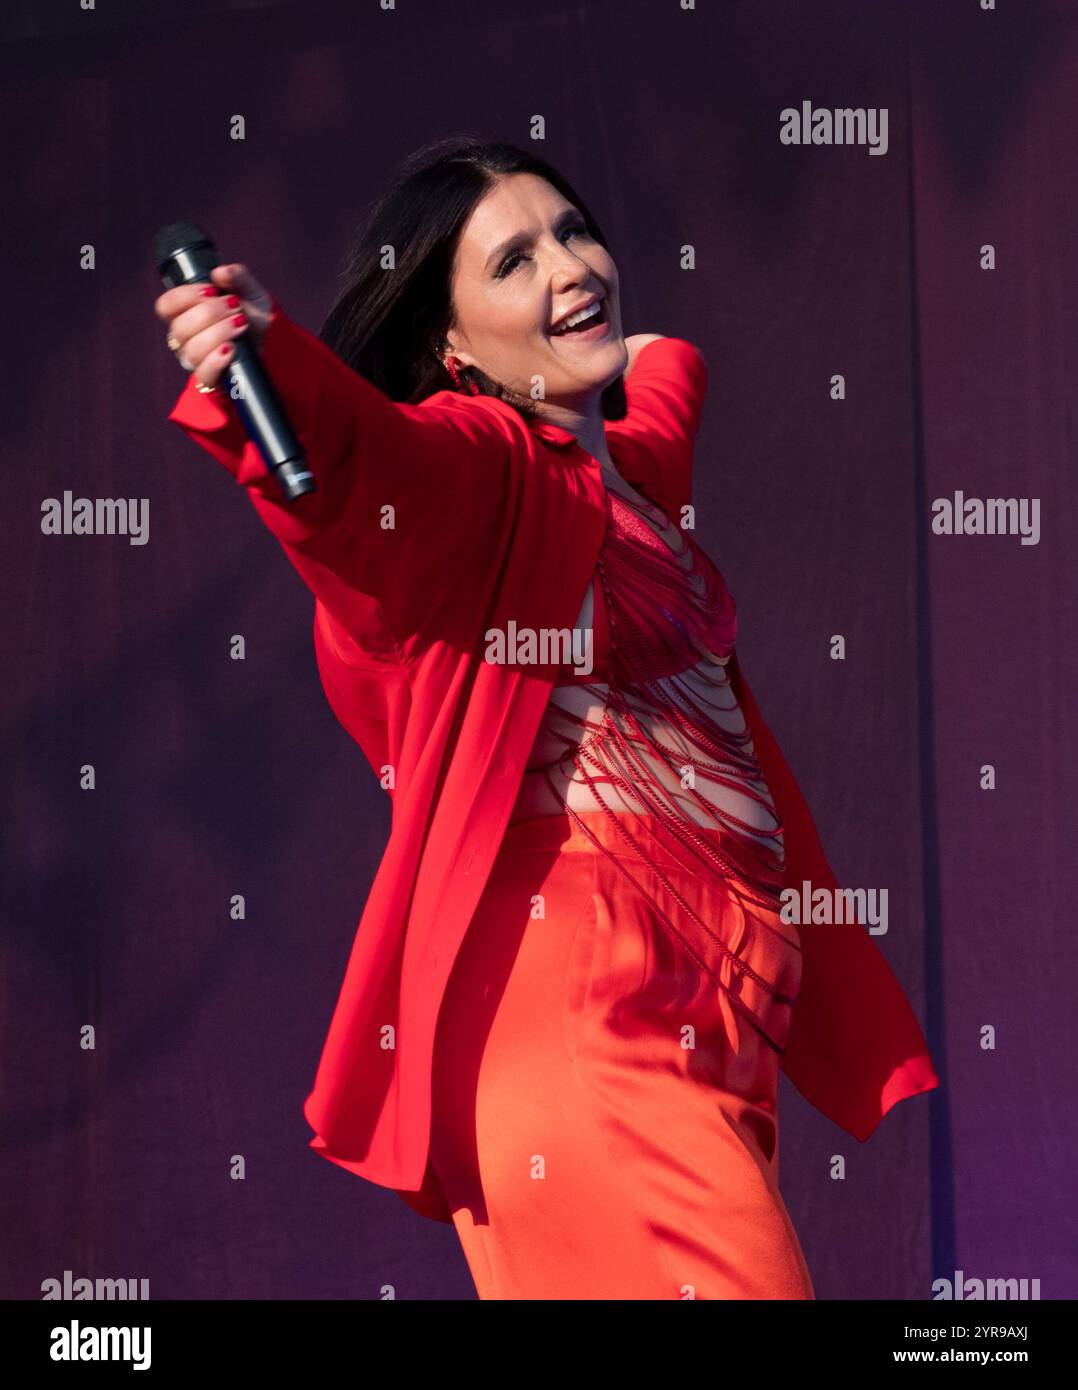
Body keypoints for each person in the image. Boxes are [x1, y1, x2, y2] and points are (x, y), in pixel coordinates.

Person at [156, 135, 940, 1300]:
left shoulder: (624, 478)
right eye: (514, 261)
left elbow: (661, 400)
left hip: (713, 1021)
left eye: (573, 231)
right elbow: (380, 462)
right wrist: (270, 364)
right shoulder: (490, 465)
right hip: (587, 1008)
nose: (570, 267)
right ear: (452, 346)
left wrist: (669, 364)